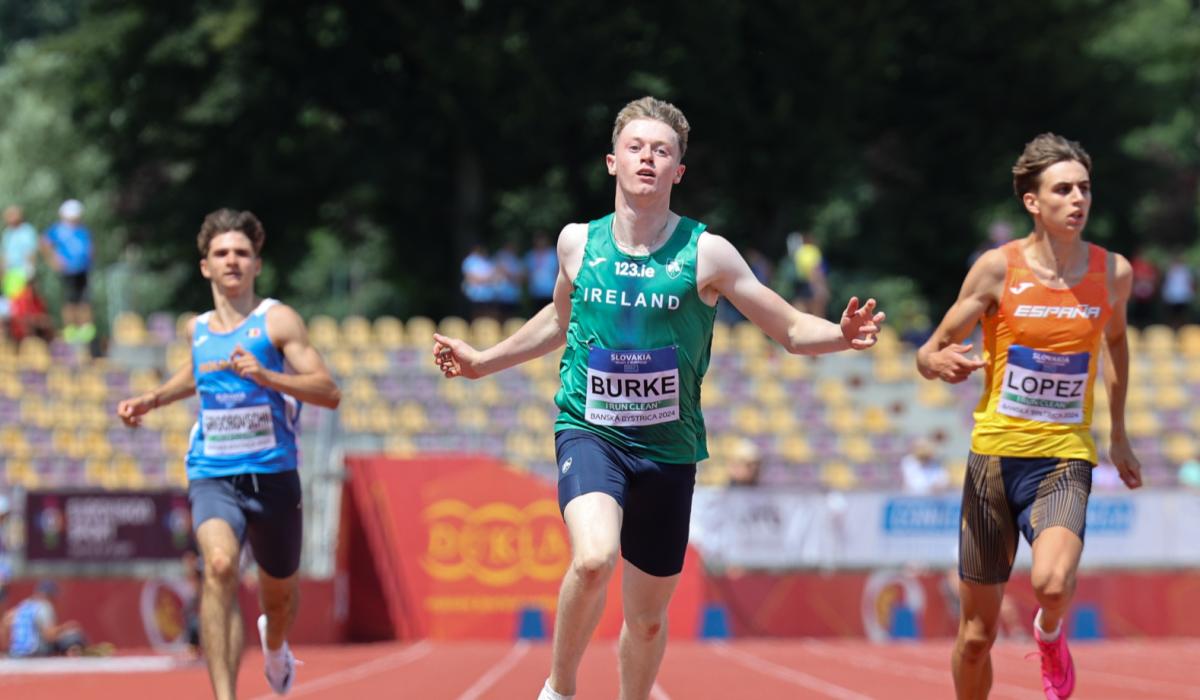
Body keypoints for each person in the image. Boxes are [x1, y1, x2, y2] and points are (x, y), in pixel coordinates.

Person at [432, 96, 884, 700]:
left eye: (662, 151)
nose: (648, 157)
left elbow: (792, 329)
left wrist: (842, 335)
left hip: (668, 451)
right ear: (612, 162)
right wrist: (483, 361)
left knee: (645, 620)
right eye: (637, 148)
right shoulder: (577, 244)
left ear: (679, 171)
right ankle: (558, 689)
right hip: (590, 430)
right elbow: (560, 319)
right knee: (593, 560)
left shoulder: (707, 253)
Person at [917, 133, 1141, 700]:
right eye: (1062, 189)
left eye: (1084, 188)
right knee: (975, 635)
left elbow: (1115, 344)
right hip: (993, 460)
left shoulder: (1111, 273)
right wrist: (937, 361)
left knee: (1052, 583)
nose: (1077, 199)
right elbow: (930, 350)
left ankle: (1048, 634)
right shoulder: (998, 269)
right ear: (1032, 202)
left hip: (1064, 456)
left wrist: (1118, 435)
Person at [116, 209, 340, 700]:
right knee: (218, 567)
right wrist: (151, 399)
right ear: (206, 267)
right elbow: (196, 372)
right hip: (213, 471)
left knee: (278, 599)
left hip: (274, 474)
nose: (232, 260)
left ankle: (276, 646)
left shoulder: (277, 320)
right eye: (222, 253)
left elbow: (327, 390)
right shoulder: (196, 329)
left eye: (242, 253)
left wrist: (268, 377)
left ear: (257, 264)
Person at [41, 199, 95, 346]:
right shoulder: (58, 229)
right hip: (69, 271)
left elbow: (89, 246)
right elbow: (45, 243)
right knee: (70, 300)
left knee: (84, 299)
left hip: (83, 269)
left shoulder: (82, 229)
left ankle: (86, 329)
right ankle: (71, 329)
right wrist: (53, 260)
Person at [4, 580, 87, 657]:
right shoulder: (44, 606)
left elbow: (6, 622)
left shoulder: (24, 605)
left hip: (15, 652)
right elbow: (49, 635)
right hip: (34, 652)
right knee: (72, 636)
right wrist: (66, 627)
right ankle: (73, 662)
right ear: (50, 595)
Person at [785, 231, 830, 318]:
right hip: (812, 283)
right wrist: (821, 287)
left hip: (801, 283)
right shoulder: (813, 250)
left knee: (800, 313)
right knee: (818, 314)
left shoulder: (799, 252)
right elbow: (816, 269)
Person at [2, 205, 40, 301]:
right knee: (12, 303)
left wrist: (30, 269)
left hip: (23, 271)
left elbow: (30, 251)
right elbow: (4, 254)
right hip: (10, 272)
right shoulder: (7, 233)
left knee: (26, 302)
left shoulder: (27, 231)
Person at [525, 232, 560, 311]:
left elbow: (558, 271)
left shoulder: (553, 254)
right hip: (535, 292)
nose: (540, 242)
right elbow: (528, 273)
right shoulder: (530, 255)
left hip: (550, 291)